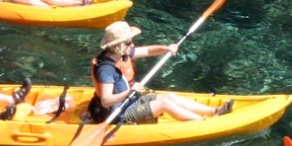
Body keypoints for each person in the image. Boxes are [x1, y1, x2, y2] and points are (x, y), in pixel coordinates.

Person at [87, 20, 229, 124]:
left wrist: (166, 48)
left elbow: (148, 50)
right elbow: (106, 101)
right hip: (119, 113)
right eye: (129, 42)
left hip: (130, 100)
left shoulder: (122, 54)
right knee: (164, 103)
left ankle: (214, 111)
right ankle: (202, 123)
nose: (132, 44)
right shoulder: (106, 70)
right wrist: (130, 91)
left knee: (168, 97)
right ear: (119, 46)